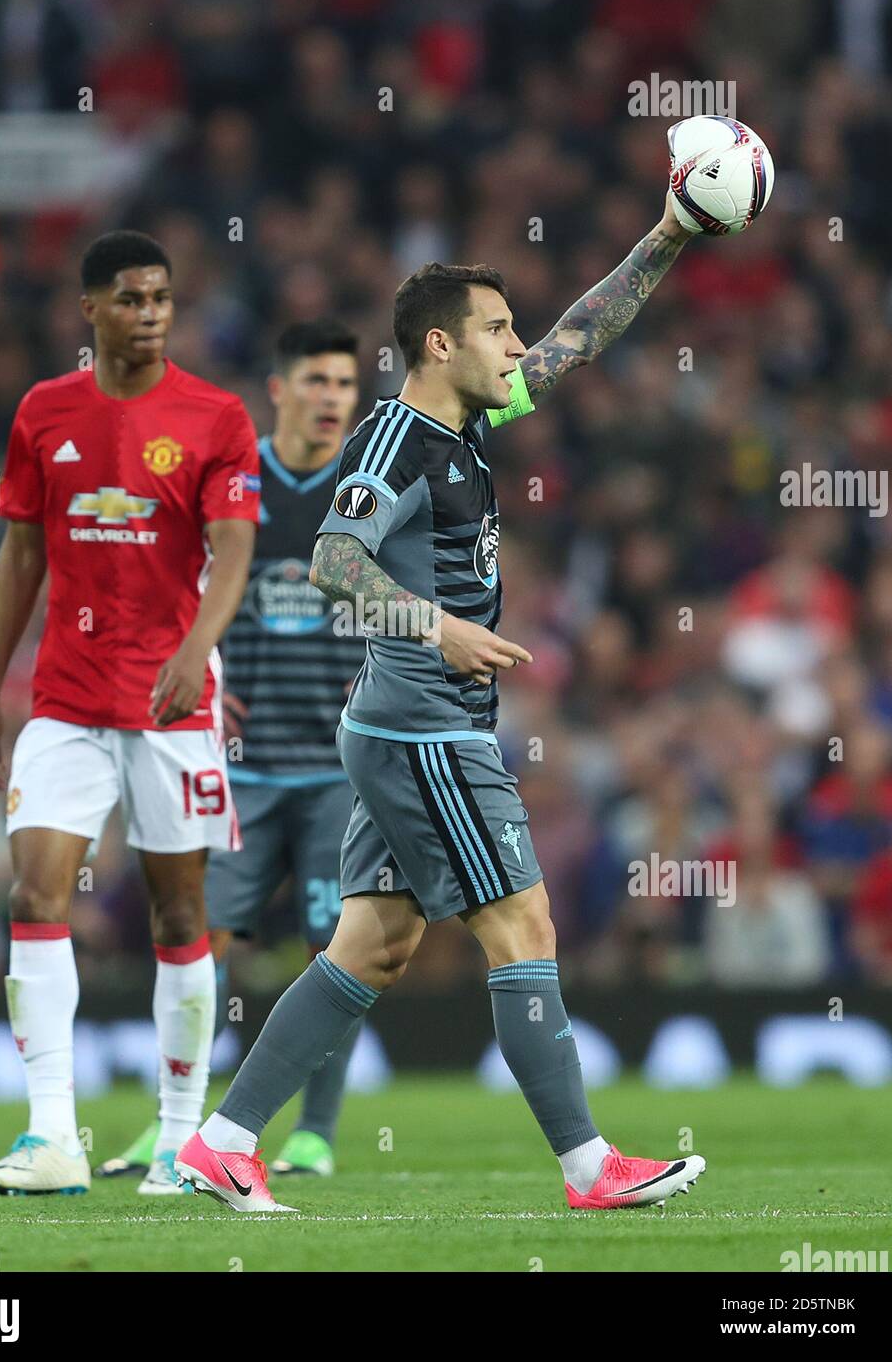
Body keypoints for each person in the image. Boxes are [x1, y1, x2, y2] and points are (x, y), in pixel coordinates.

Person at [175, 191, 710, 1213]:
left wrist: (669, 231)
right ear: (437, 343)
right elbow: (335, 559)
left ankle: (222, 1140)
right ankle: (588, 1167)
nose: (518, 347)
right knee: (523, 923)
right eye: (497, 330)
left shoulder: (468, 419)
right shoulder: (394, 440)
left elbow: (577, 341)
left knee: (372, 943)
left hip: (402, 727)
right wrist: (440, 626)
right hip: (424, 727)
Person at [0, 230, 259, 1196]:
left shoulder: (214, 415)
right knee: (34, 896)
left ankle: (180, 1140)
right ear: (89, 309)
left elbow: (232, 552)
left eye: (163, 298)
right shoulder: (45, 412)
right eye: (131, 299)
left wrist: (190, 652)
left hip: (173, 702)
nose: (151, 314)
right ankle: (53, 1137)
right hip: (67, 700)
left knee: (178, 913)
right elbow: (19, 558)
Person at [97, 318, 367, 1187]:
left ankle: (314, 1134)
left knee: (339, 944)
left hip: (335, 768)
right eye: (316, 381)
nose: (332, 398)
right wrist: (201, 661)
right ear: (279, 389)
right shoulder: (235, 473)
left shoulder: (365, 484)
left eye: (345, 384)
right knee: (197, 938)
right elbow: (172, 572)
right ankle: (170, 1124)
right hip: (240, 763)